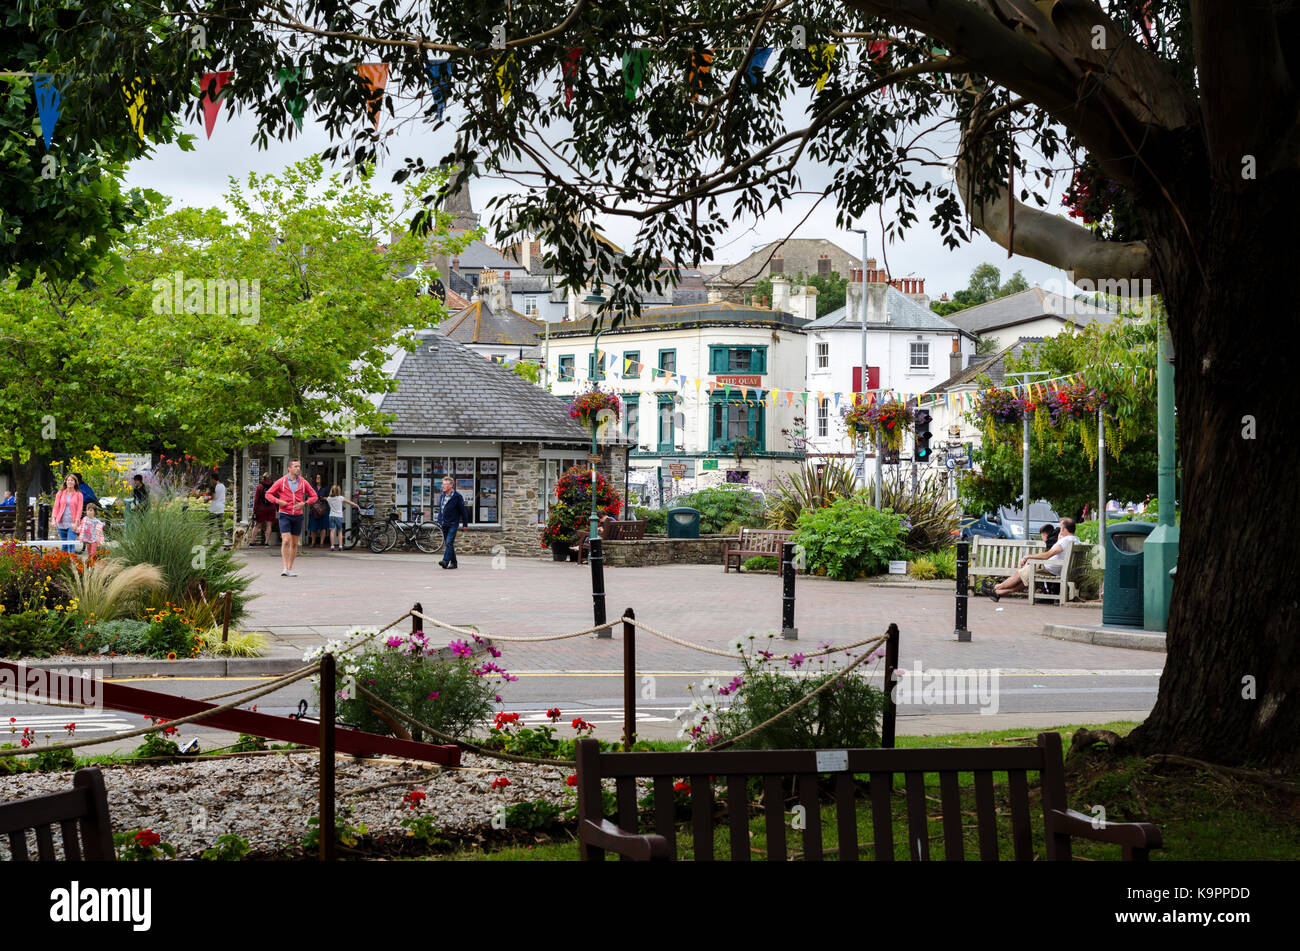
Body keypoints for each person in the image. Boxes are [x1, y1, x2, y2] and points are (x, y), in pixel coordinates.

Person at [984, 517, 1078, 602]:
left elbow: (1047, 555)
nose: (1059, 530)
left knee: (1019, 573)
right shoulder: (1076, 540)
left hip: (1049, 568)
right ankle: (998, 593)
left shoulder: (1064, 541)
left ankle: (995, 587)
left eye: (1061, 527)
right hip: (1059, 569)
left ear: (1064, 529)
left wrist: (1028, 556)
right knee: (1025, 579)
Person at [265, 460, 318, 577]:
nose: (298, 468)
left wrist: (304, 503)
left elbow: (314, 496)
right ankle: (284, 568)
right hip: (284, 514)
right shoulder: (281, 482)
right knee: (286, 540)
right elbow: (268, 494)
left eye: (299, 466)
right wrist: (278, 501)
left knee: (294, 544)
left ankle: (290, 568)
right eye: (295, 466)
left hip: (298, 515)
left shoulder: (303, 482)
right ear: (289, 468)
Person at [436, 476, 469, 569]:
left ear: (451, 485)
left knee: (449, 542)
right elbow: (441, 510)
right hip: (444, 523)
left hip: (453, 523)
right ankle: (454, 563)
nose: (443, 486)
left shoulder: (457, 496)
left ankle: (445, 561)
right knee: (448, 544)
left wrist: (465, 524)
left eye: (445, 484)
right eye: (442, 484)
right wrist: (439, 520)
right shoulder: (442, 495)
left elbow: (463, 511)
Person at [52, 474, 83, 553]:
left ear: (75, 483)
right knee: (64, 546)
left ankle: (72, 563)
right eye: (68, 480)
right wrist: (53, 519)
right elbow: (56, 507)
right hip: (61, 523)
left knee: (70, 544)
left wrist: (76, 522)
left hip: (72, 524)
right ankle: (64, 564)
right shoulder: (60, 493)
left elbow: (79, 510)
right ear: (65, 482)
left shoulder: (79, 494)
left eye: (72, 480)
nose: (70, 482)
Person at [326, 484, 360, 551]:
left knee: (332, 531)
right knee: (340, 531)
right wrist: (357, 505)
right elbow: (349, 502)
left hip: (331, 515)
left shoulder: (328, 499)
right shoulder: (340, 498)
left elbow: (330, 507)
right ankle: (340, 546)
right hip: (338, 516)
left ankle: (332, 546)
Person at [251, 473, 278, 546]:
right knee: (269, 525)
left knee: (257, 525)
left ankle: (252, 542)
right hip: (271, 508)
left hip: (261, 508)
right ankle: (266, 543)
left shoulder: (260, 486)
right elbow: (276, 496)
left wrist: (254, 509)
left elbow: (256, 499)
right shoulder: (273, 486)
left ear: (263, 478)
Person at [307, 474, 330, 547]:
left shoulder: (326, 488)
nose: (318, 479)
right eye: (317, 477)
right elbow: (309, 497)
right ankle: (313, 542)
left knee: (323, 527)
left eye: (319, 477)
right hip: (314, 509)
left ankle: (321, 543)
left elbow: (329, 498)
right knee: (313, 527)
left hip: (323, 509)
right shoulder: (312, 488)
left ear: (322, 479)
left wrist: (323, 498)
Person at [208, 474, 227, 542]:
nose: (210, 481)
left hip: (214, 508)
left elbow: (213, 497)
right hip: (221, 507)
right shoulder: (223, 486)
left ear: (213, 479)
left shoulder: (214, 486)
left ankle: (208, 540)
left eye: (211, 479)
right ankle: (222, 540)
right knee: (220, 525)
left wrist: (207, 499)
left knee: (210, 525)